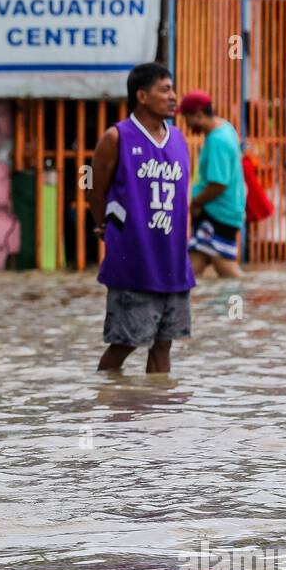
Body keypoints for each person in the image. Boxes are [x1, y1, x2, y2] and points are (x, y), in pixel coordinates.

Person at [86, 62, 195, 374]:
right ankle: (108, 402)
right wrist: (102, 225)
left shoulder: (178, 139)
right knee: (124, 343)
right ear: (142, 96)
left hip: (174, 263)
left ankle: (158, 415)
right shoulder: (116, 137)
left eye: (173, 89)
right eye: (165, 89)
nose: (174, 96)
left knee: (165, 344)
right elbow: (93, 187)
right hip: (133, 262)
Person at [178, 90, 245, 279]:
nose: (187, 124)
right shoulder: (224, 128)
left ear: (199, 114)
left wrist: (196, 202)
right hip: (220, 211)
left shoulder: (218, 140)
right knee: (192, 266)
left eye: (187, 118)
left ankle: (243, 302)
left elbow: (218, 184)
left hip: (218, 212)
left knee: (225, 267)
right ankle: (178, 303)